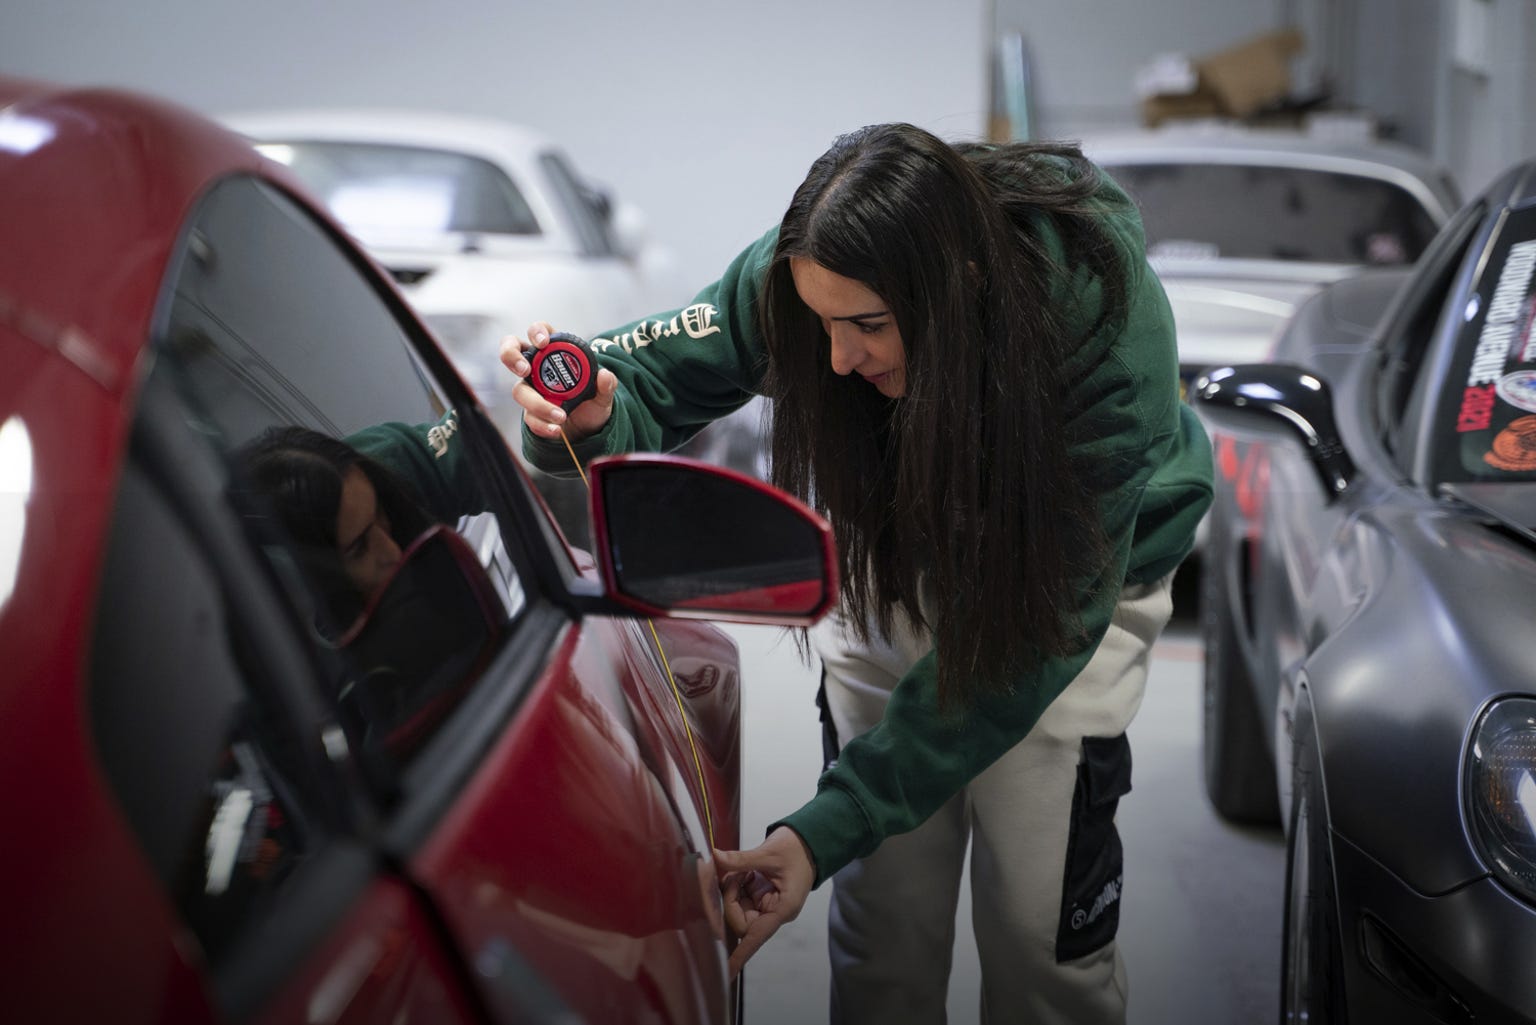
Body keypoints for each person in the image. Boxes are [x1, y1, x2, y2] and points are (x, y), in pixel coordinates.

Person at [504, 122, 1213, 1024]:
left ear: (953, 292)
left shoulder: (1103, 323)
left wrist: (822, 827)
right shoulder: (804, 275)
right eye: (822, 326)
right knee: (882, 941)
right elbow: (634, 377)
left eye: (868, 326)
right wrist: (581, 414)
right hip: (897, 564)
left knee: (1042, 955)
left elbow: (1030, 646)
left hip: (1073, 603)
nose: (836, 360)